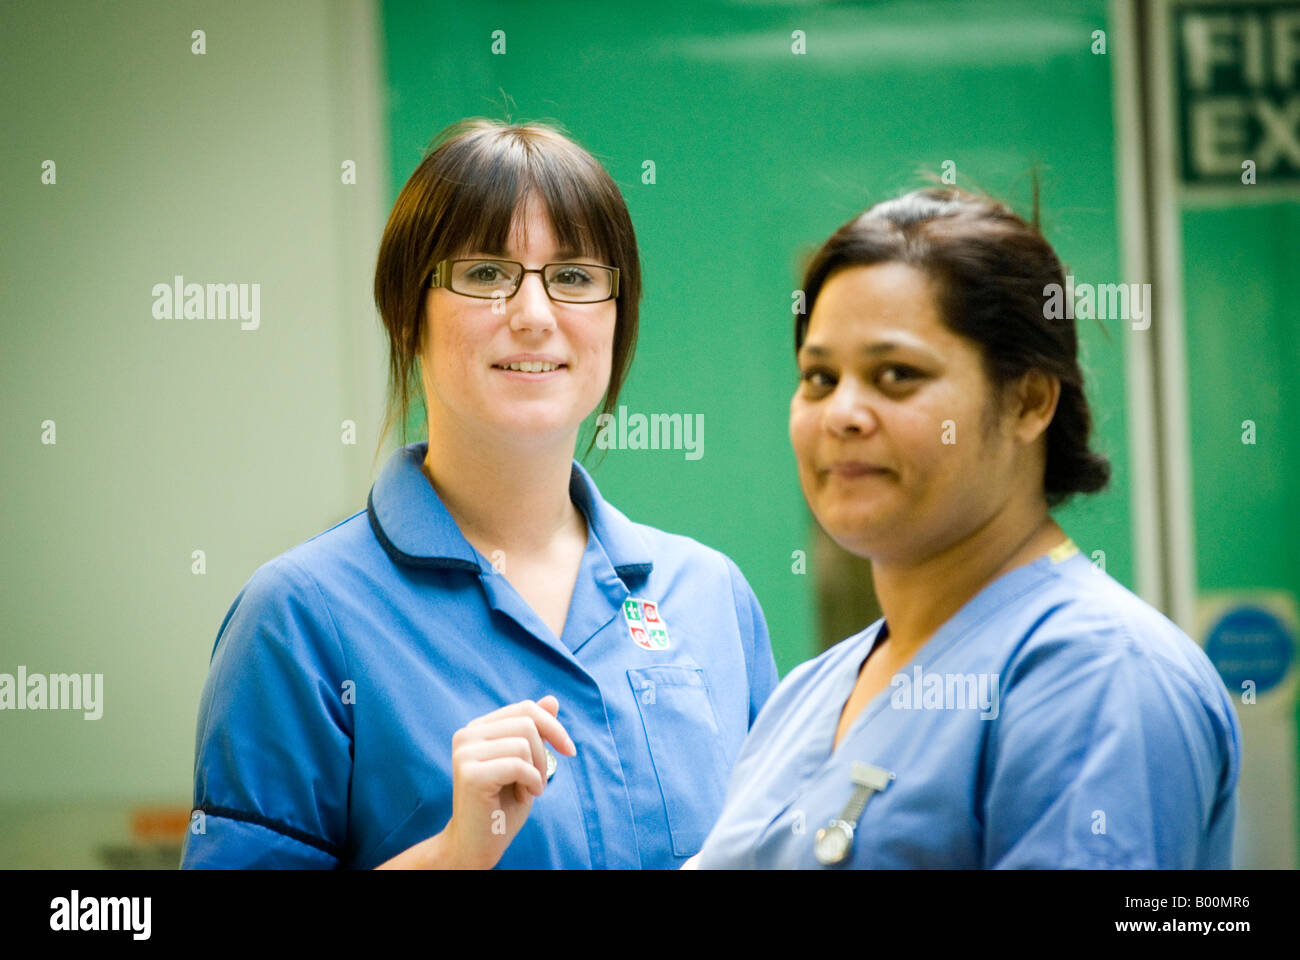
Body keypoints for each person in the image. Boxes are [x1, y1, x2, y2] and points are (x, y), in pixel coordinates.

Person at [180, 118, 779, 870]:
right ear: (406, 314)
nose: (533, 315)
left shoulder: (711, 597)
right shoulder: (301, 619)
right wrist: (452, 856)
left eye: (575, 277)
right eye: (487, 274)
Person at [692, 186, 1241, 869]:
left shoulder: (1098, 677)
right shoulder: (806, 696)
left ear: (1029, 401)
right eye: (819, 378)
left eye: (896, 375)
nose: (843, 414)